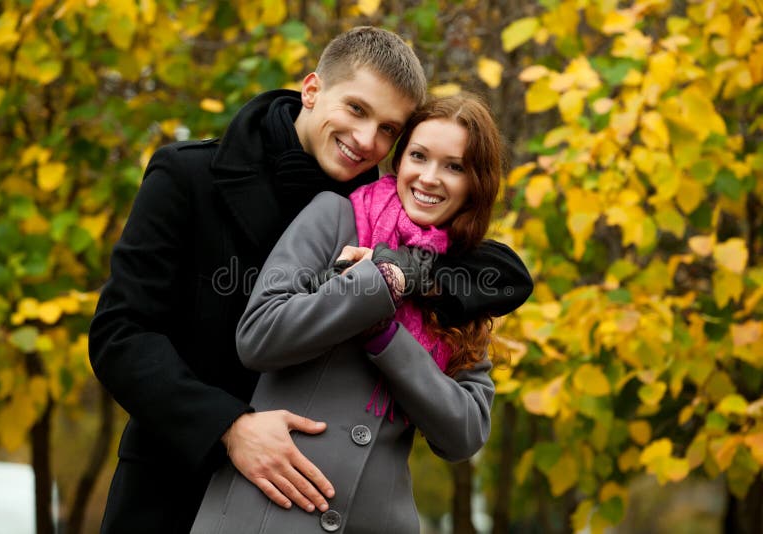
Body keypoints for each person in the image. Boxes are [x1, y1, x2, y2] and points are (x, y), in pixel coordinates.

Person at [88, 27, 427, 533]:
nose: (366, 141)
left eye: (387, 130)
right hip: (173, 490)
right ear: (312, 90)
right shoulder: (187, 177)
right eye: (356, 109)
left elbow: (487, 272)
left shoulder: (386, 222)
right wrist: (229, 426)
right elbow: (121, 334)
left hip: (304, 507)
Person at [190, 94, 533, 533]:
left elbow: (464, 433)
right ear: (399, 159)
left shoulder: (461, 285)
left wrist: (386, 339)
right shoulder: (335, 217)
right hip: (264, 513)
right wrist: (378, 284)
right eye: (418, 156)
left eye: (454, 166)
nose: (429, 178)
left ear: (475, 182)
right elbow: (259, 336)